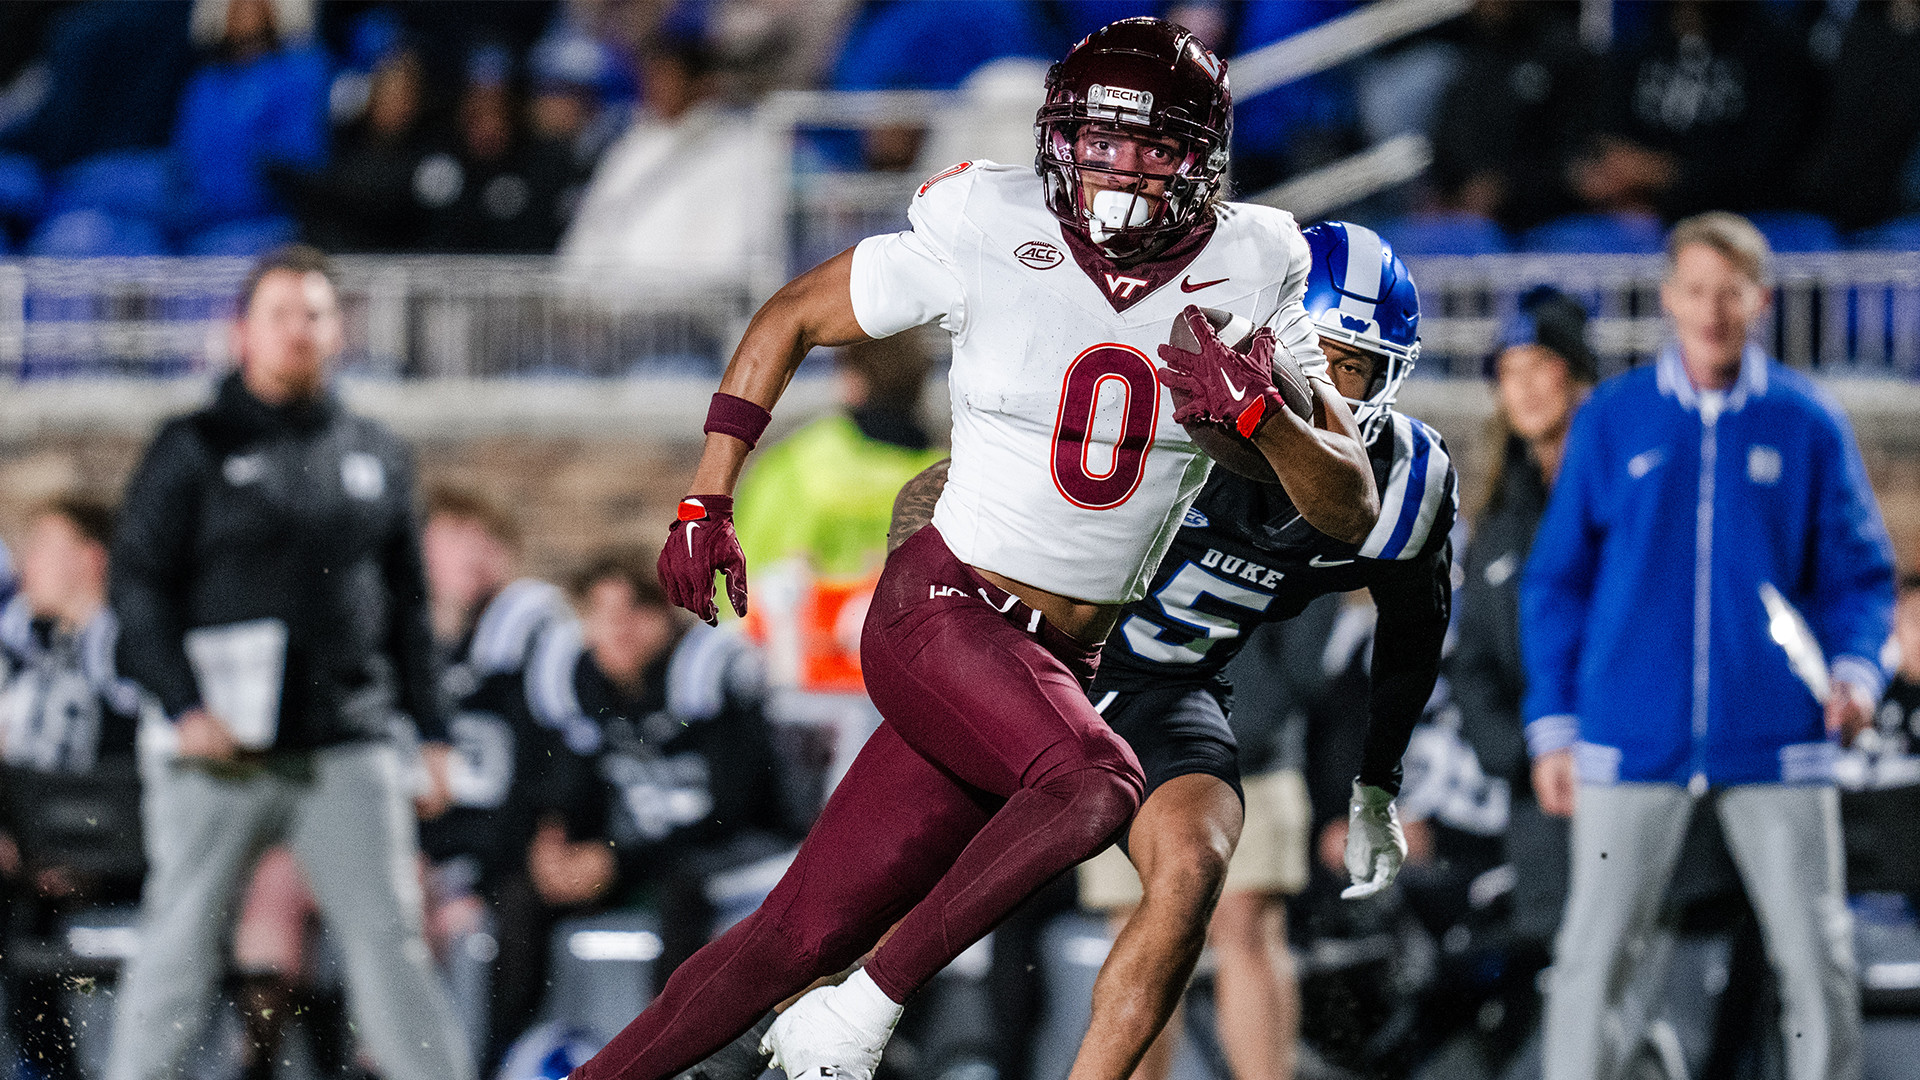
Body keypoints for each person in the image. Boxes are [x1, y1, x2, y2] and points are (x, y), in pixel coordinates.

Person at [602, 19, 1379, 1080]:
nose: (1119, 168)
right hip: (944, 608)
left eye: (1151, 146)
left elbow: (1348, 503)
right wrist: (706, 497)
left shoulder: (1257, 261)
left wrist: (1268, 428)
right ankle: (862, 1013)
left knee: (794, 937)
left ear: (1200, 159)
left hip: (1053, 661)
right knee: (1097, 784)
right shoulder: (984, 218)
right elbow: (791, 315)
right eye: (1100, 140)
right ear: (1060, 139)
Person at [1055, 221, 1455, 1080]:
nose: (1337, 388)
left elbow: (1412, 629)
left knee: (1241, 917)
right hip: (1095, 697)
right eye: (1324, 357)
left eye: (1359, 369)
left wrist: (1379, 779)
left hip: (1232, 710)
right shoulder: (1165, 408)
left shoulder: (1403, 477)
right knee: (1137, 922)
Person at [1523, 212, 1897, 1080]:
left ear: (1759, 300)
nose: (1711, 310)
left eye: (1729, 292)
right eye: (1694, 290)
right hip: (1625, 737)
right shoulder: (1615, 419)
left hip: (1779, 741)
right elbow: (1556, 582)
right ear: (1668, 299)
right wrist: (1554, 721)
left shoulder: (1806, 422)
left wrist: (1855, 671)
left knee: (1816, 958)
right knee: (1593, 958)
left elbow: (1861, 579)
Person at [105, 245, 475, 1080]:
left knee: (389, 940)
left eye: (313, 314)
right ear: (241, 333)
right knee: (182, 938)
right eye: (279, 315)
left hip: (345, 741)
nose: (297, 332)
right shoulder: (191, 448)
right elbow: (136, 588)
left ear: (338, 330)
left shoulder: (374, 450)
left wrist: (434, 731)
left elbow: (407, 608)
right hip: (218, 749)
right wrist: (181, 702)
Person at [524, 551, 794, 980]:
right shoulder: (585, 687)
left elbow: (734, 812)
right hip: (640, 854)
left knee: (682, 893)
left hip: (734, 851)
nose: (619, 629)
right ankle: (510, 1043)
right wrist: (552, 840)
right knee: (521, 894)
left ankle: (673, 1043)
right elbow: (570, 788)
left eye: (635, 610)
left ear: (668, 611)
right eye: (602, 612)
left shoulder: (708, 674)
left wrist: (616, 861)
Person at [1448, 286, 1596, 950]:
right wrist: (1514, 751)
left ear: (1579, 377)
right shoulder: (1500, 517)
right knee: (1558, 973)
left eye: (1544, 367)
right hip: (1538, 799)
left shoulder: (1628, 497)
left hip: (1627, 777)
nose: (1527, 388)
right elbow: (1474, 652)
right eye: (1511, 372)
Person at [417, 487, 579, 1067]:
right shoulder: (402, 643)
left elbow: (554, 759)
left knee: (497, 906)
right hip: (435, 850)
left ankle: (484, 1063)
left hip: (506, 845)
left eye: (487, 538)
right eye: (455, 535)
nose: (474, 553)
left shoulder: (530, 629)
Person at [0, 498, 147, 1080]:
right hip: (33, 859)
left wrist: (78, 848)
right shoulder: (37, 655)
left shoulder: (124, 652)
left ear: (90, 559)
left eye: (42, 548)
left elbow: (132, 769)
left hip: (107, 857)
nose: (26, 564)